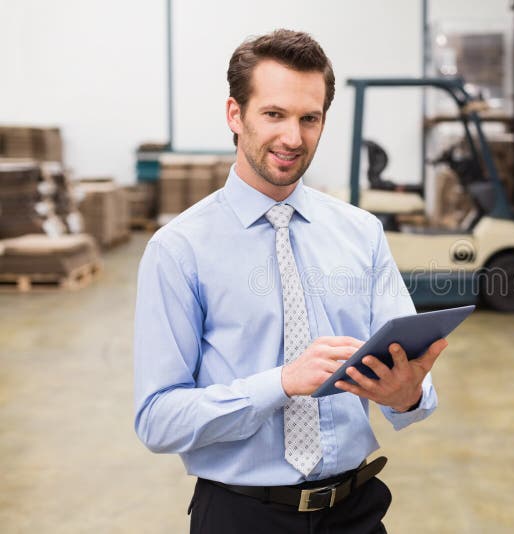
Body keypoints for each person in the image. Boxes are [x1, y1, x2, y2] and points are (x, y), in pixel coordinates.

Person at [133, 29, 448, 533]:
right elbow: (157, 418)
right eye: (274, 114)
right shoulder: (180, 250)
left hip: (355, 512)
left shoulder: (361, 233)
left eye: (310, 118)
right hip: (240, 517)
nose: (293, 138)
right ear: (235, 115)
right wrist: (278, 384)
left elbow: (412, 379)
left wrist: (407, 394)